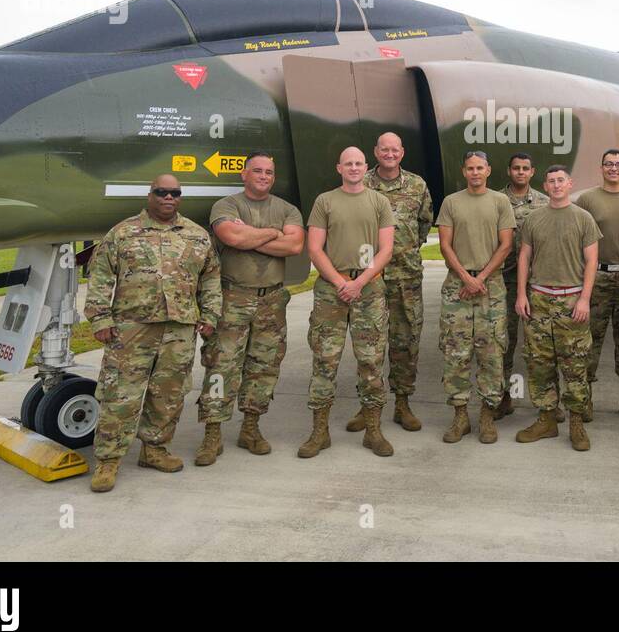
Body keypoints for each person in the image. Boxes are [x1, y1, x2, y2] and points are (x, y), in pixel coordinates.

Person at [84, 174, 221, 492]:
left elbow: (211, 276)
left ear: (180, 197)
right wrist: (100, 318)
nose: (168, 198)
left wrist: (211, 314)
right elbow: (101, 274)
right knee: (120, 396)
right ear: (150, 195)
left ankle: (155, 450)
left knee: (169, 395)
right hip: (132, 329)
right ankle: (108, 460)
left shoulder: (197, 236)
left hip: (180, 329)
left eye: (174, 193)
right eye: (162, 192)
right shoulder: (123, 232)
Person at [195, 150, 305, 466]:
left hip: (271, 299)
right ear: (244, 174)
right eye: (257, 171)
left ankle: (251, 428)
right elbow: (229, 234)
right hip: (234, 298)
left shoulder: (287, 209)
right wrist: (273, 234)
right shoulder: (227, 206)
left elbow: (295, 245)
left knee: (264, 365)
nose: (263, 177)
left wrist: (249, 237)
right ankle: (212, 434)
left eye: (269, 172)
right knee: (221, 365)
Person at [297, 147, 396, 459]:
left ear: (365, 167)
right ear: (339, 167)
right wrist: (342, 283)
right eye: (348, 163)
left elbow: (386, 249)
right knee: (324, 361)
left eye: (358, 163)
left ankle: (373, 431)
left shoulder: (379, 201)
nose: (353, 168)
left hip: (368, 290)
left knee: (371, 362)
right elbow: (314, 248)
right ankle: (319, 432)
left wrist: (360, 282)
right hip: (332, 290)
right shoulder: (325, 201)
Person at [514, 165, 600, 452]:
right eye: (551, 181)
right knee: (539, 364)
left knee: (575, 365)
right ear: (545, 186)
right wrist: (521, 295)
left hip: (571, 300)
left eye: (561, 180)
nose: (556, 185)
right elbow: (525, 258)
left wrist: (585, 299)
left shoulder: (583, 218)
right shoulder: (534, 219)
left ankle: (576, 422)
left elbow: (591, 262)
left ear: (570, 183)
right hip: (538, 298)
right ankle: (546, 419)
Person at [355, 132, 434, 433]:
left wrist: (406, 248)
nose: (389, 154)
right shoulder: (360, 183)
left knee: (405, 341)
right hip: (369, 277)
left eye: (394, 150)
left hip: (406, 276)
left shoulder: (416, 185)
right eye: (384, 149)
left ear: (402, 153)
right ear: (375, 152)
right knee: (369, 343)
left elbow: (424, 222)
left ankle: (402, 403)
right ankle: (368, 405)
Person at [436, 151, 516, 443]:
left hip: (490, 288)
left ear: (488, 170)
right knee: (455, 352)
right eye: (470, 168)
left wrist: (480, 278)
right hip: (458, 285)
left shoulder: (500, 201)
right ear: (464, 171)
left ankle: (486, 414)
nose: (475, 172)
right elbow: (445, 245)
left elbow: (506, 245)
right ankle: (459, 417)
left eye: (480, 167)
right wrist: (466, 278)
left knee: (491, 353)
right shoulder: (451, 202)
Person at [573, 149, 619, 421]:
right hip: (597, 278)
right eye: (609, 164)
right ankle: (585, 399)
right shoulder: (587, 199)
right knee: (589, 339)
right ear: (601, 168)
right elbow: (576, 236)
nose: (614, 168)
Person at [497, 153, 548, 419]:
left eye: (525, 168)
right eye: (515, 168)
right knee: (503, 341)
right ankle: (503, 396)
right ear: (509, 171)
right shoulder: (495, 200)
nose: (520, 172)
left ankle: (547, 402)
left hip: (535, 283)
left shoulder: (544, 203)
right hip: (503, 281)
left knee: (539, 344)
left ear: (532, 172)